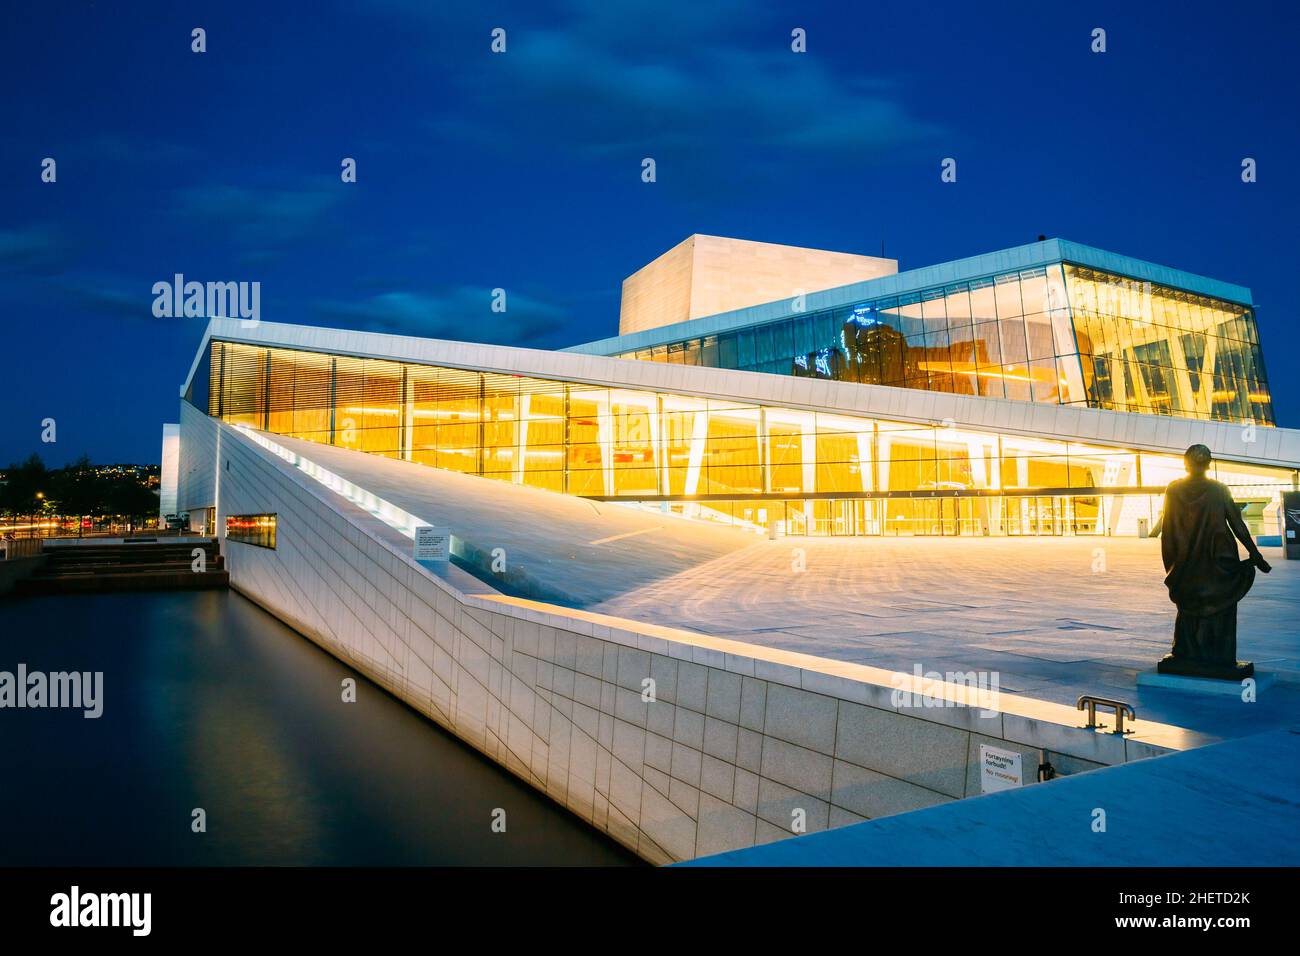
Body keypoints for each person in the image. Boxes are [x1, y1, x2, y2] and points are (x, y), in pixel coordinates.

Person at [1158, 444, 1271, 679]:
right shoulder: (1218, 490)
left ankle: (1185, 653)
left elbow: (1168, 528)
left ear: (1186, 464)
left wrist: (1173, 563)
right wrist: (1255, 554)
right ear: (1209, 464)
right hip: (1219, 562)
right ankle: (1220, 657)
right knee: (1222, 607)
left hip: (1186, 563)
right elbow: (1237, 524)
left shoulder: (1174, 489)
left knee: (1189, 607)